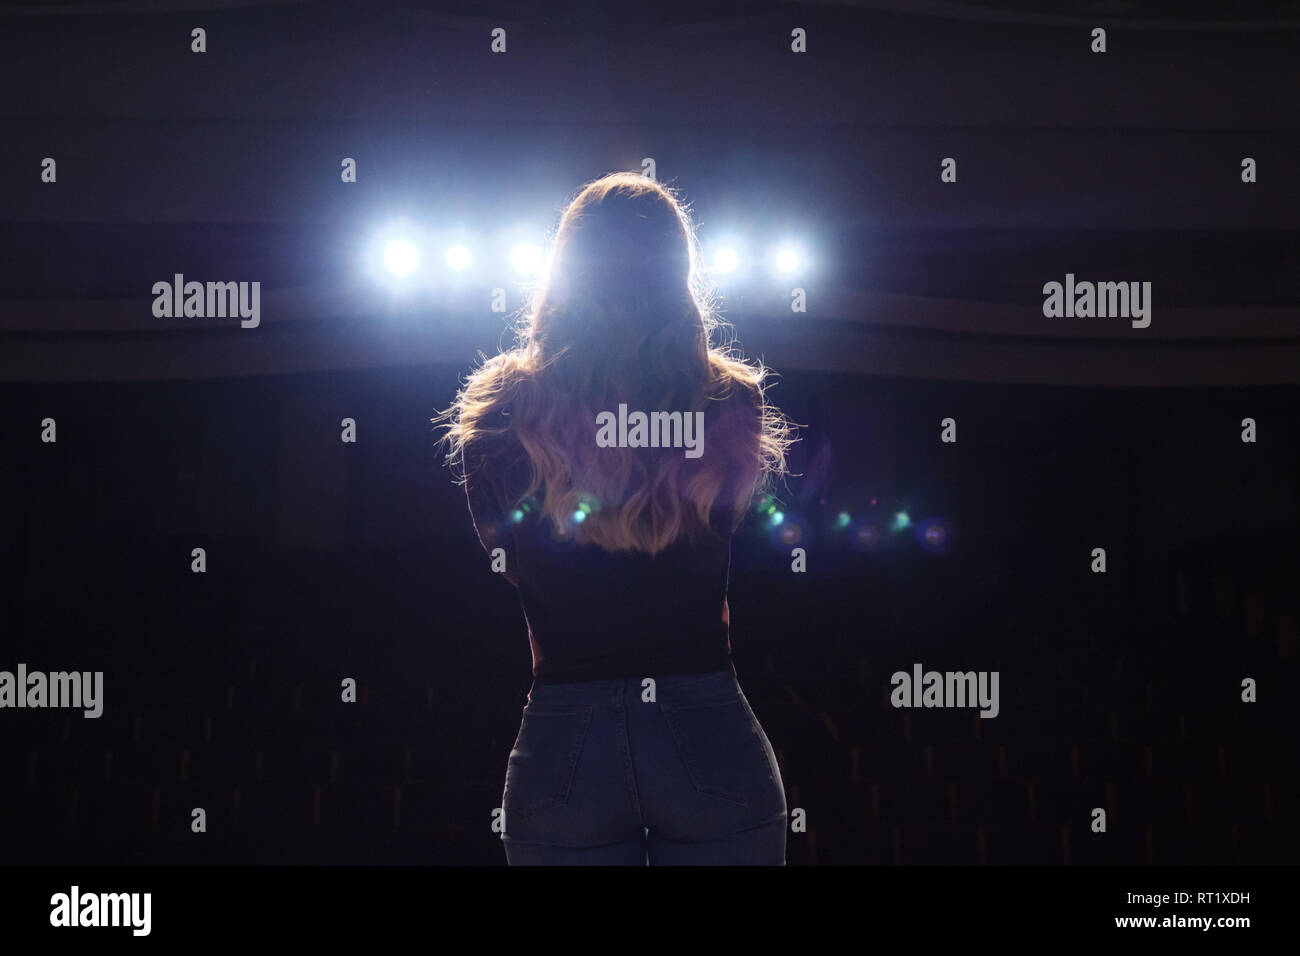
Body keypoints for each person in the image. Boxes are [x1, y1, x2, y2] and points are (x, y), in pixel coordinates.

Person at [437, 172, 795, 864]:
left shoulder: (498, 410)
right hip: (709, 728)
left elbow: (503, 559)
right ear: (679, 274)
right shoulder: (732, 402)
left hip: (565, 739)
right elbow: (730, 537)